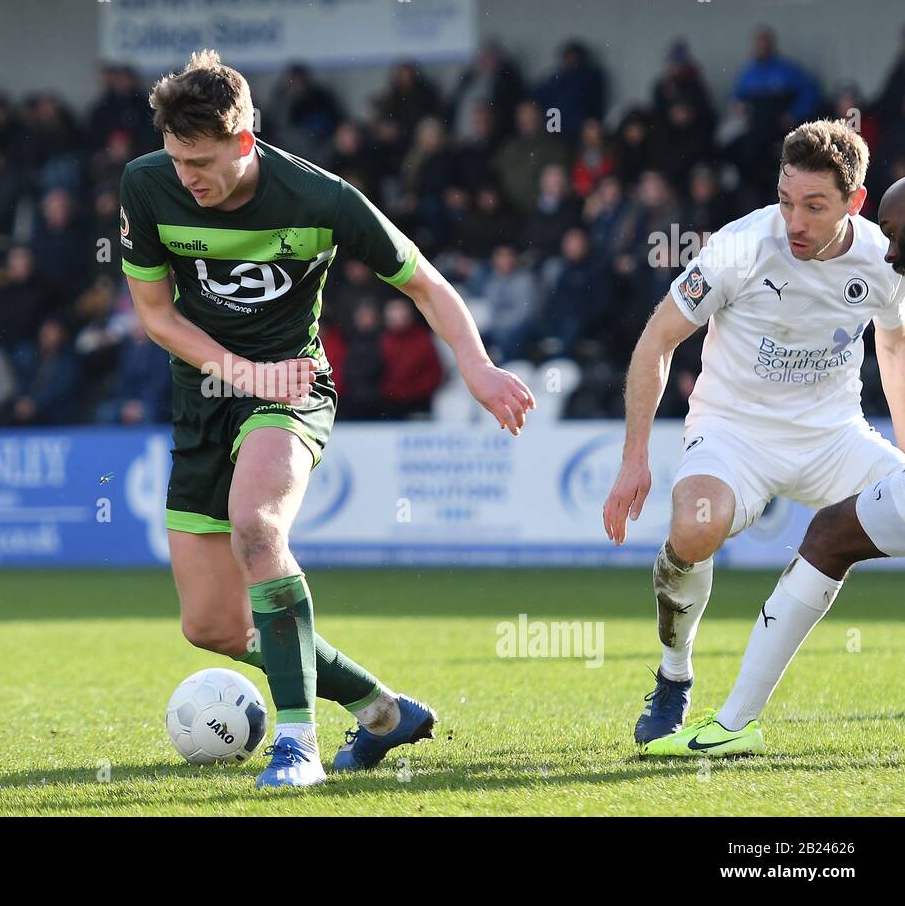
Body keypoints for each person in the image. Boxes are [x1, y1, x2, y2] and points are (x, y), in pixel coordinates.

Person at [120, 50, 534, 788]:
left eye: (203, 160)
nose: (189, 177)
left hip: (292, 391)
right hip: (205, 400)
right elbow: (155, 316)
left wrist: (474, 364)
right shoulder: (147, 186)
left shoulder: (321, 197)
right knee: (210, 626)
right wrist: (236, 372)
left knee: (258, 528)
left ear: (245, 142)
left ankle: (296, 744)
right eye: (179, 158)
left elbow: (426, 284)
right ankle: (381, 712)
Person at [603, 120, 905, 746]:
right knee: (694, 527)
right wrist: (635, 457)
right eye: (787, 199)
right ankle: (674, 674)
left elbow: (895, 345)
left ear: (854, 201)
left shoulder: (883, 255)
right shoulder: (739, 247)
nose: (794, 220)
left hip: (834, 438)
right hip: (733, 433)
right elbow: (656, 341)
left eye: (814, 206)